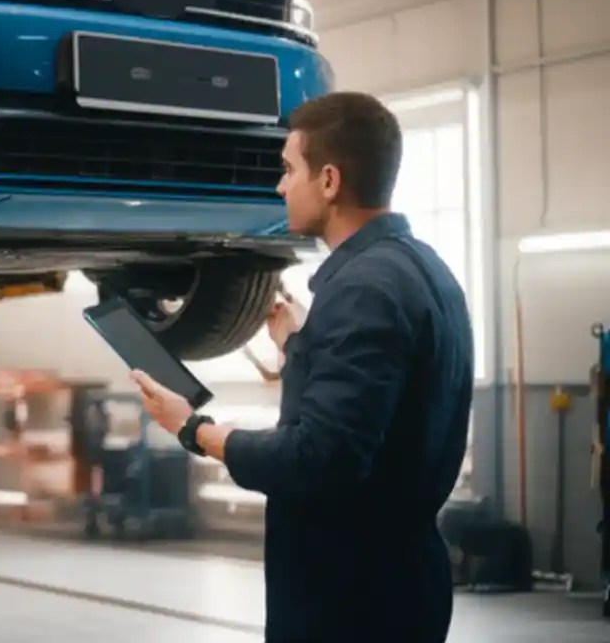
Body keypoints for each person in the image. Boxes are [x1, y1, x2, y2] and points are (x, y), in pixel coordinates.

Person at [130, 91, 474, 643]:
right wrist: (300, 347)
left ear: (330, 181)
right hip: (401, 583)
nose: (280, 185)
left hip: (350, 601)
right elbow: (388, 401)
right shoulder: (423, 270)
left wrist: (195, 429)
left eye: (290, 170)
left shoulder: (363, 290)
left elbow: (319, 458)